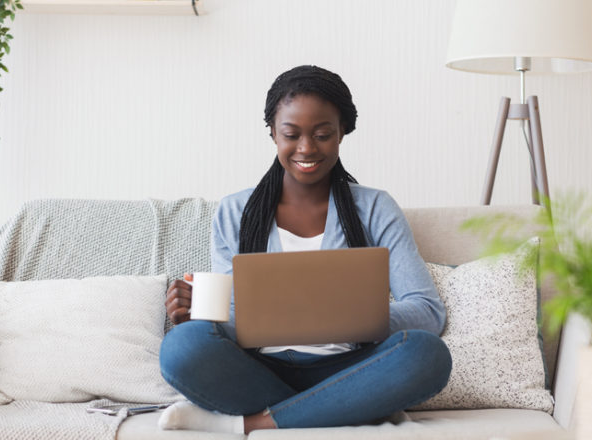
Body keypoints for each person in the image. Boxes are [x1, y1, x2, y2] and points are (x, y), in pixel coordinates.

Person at [159, 65, 452, 434]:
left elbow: (428, 311)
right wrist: (198, 317)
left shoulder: (376, 208)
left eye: (323, 134)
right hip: (258, 371)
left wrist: (357, 316)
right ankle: (341, 406)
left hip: (351, 366)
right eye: (291, 134)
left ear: (343, 132)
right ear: (272, 133)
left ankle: (254, 423)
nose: (307, 148)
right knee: (181, 348)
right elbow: (235, 320)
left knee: (427, 355)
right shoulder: (235, 211)